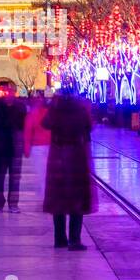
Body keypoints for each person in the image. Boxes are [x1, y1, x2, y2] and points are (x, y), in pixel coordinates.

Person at [41, 86, 94, 250]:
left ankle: (59, 239)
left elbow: (45, 124)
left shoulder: (55, 110)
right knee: (77, 198)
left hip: (58, 156)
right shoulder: (80, 110)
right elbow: (89, 127)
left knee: (58, 199)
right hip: (77, 156)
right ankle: (74, 240)